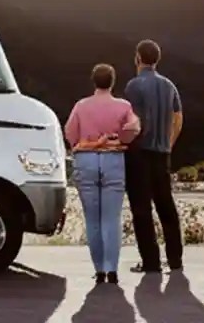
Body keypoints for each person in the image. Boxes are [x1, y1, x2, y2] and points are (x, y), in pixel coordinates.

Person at [64, 63, 141, 284]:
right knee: (111, 217)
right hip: (113, 160)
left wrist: (85, 143)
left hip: (86, 159)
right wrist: (117, 138)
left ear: (93, 81)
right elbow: (133, 128)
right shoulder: (123, 106)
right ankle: (112, 269)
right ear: (112, 81)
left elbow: (70, 133)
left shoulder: (81, 105)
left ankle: (98, 270)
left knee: (92, 219)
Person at [123, 39, 184, 273]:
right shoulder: (169, 86)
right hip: (162, 153)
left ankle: (151, 262)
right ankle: (175, 260)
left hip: (139, 153)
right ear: (157, 60)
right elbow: (178, 117)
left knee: (141, 209)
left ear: (138, 58)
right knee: (166, 205)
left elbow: (133, 123)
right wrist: (169, 143)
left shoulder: (133, 86)